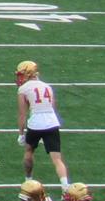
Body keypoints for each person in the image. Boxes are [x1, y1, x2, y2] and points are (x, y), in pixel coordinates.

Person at [14, 60, 70, 190]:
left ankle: (28, 181)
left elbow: (22, 114)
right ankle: (65, 187)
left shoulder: (23, 89)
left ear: (28, 73)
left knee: (28, 152)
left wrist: (21, 134)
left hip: (36, 124)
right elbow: (53, 107)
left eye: (22, 74)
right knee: (57, 159)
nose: (20, 77)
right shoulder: (47, 87)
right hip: (51, 122)